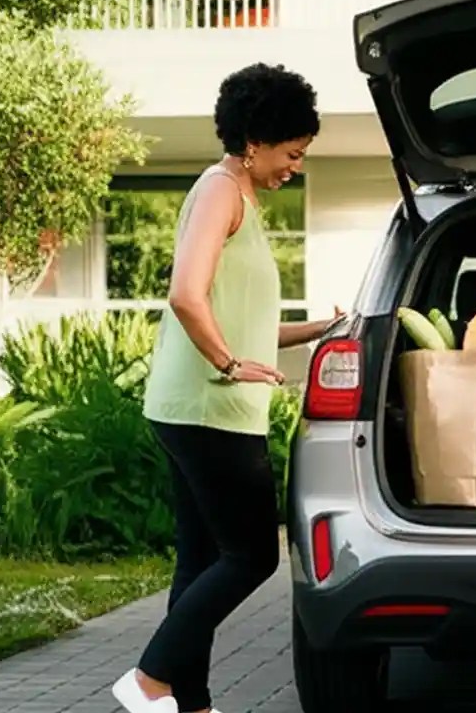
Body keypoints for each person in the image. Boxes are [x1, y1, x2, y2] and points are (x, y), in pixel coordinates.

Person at [111, 63, 335, 713]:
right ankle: (151, 678)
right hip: (211, 408)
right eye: (292, 153)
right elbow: (186, 293)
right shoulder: (220, 191)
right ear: (256, 139)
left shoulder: (238, 195)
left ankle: (193, 702)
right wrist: (230, 365)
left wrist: (321, 328)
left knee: (201, 559)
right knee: (251, 557)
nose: (295, 165)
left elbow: (247, 326)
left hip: (194, 407)